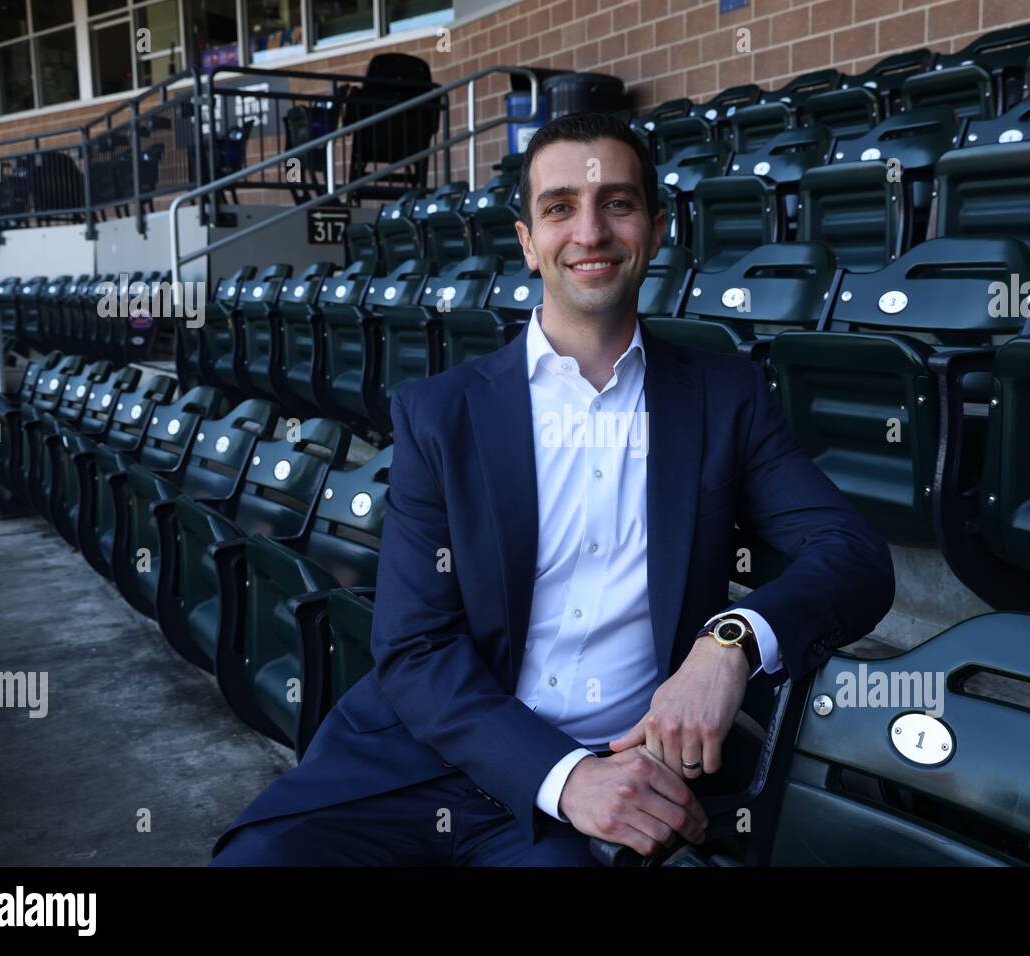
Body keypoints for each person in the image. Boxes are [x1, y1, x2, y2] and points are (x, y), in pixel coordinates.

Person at [211, 111, 894, 866]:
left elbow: (854, 555)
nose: (591, 232)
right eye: (560, 207)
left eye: (619, 204)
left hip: (614, 777)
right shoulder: (442, 413)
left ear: (656, 231)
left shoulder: (724, 397)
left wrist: (728, 643)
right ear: (528, 242)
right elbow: (413, 647)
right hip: (424, 760)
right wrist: (561, 778)